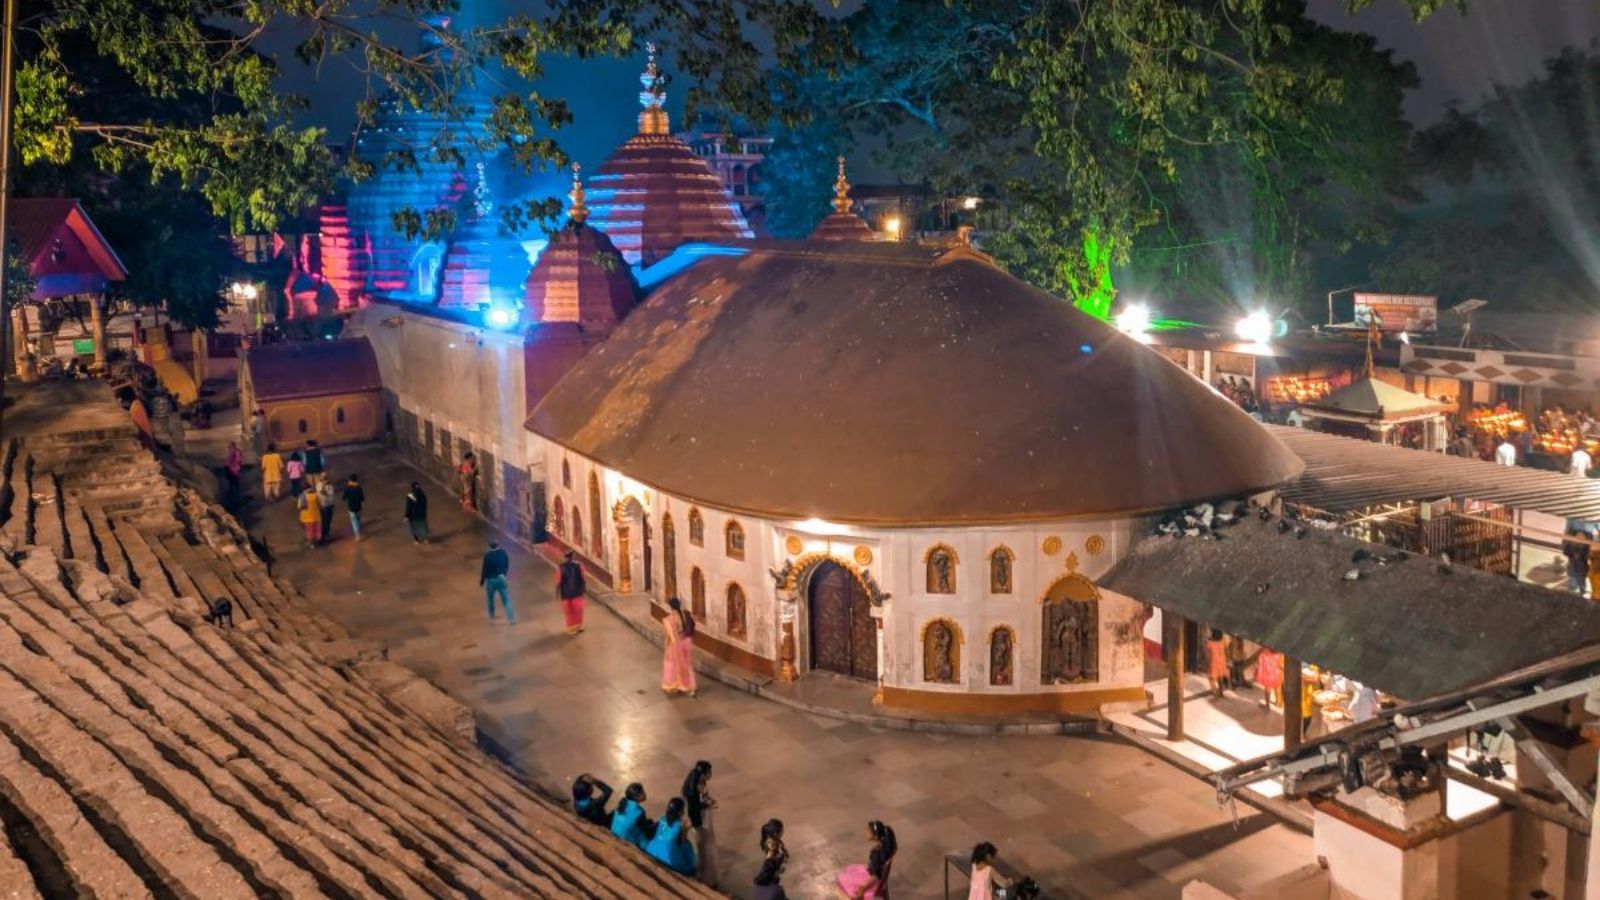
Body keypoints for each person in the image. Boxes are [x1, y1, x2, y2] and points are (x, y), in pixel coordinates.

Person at [835, 820, 896, 900]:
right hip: (876, 872)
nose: (866, 832)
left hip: (872, 880)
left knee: (843, 883)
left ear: (875, 837)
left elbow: (876, 876)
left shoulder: (876, 854)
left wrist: (863, 887)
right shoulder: (885, 847)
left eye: (868, 831)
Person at [682, 761, 718, 887]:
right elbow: (695, 807)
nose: (710, 775)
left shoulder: (698, 780)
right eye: (709, 772)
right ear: (704, 774)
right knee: (703, 848)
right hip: (699, 821)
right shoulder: (694, 788)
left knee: (706, 845)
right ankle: (704, 876)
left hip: (703, 817)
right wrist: (708, 804)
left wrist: (709, 801)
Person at [645, 797, 697, 876]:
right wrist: (685, 830)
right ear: (680, 812)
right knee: (688, 847)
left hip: (652, 850)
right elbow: (683, 841)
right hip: (668, 859)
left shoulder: (662, 819)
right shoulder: (679, 825)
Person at [661, 597, 698, 696]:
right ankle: (691, 687)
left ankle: (675, 684)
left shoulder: (670, 618)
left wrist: (666, 647)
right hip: (686, 642)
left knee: (671, 664)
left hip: (676, 644)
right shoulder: (684, 615)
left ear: (670, 607)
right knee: (687, 665)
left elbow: (670, 636)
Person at [753, 819, 788, 900]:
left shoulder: (774, 841)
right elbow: (768, 866)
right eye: (782, 830)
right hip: (771, 878)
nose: (783, 831)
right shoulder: (772, 850)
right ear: (776, 833)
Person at [611, 783, 653, 849]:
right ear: (636, 797)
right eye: (642, 792)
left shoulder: (621, 805)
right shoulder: (639, 812)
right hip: (627, 841)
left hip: (615, 834)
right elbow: (643, 831)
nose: (645, 793)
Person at [481, 539, 514, 622]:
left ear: (489, 546)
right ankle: (510, 618)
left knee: (490, 598)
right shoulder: (503, 553)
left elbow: (484, 569)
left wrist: (482, 580)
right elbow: (507, 563)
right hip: (502, 578)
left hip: (491, 580)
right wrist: (504, 573)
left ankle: (491, 615)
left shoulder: (488, 556)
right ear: (498, 545)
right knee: (506, 599)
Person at [557, 550, 587, 635]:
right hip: (577, 592)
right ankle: (579, 627)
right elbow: (583, 577)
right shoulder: (579, 566)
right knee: (578, 611)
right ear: (573, 557)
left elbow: (558, 580)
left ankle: (572, 629)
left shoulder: (561, 567)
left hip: (566, 594)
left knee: (569, 612)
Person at [1563, 528, 1590, 597]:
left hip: (1582, 570)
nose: (1579, 537)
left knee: (1582, 586)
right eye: (1578, 535)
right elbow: (1565, 552)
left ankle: (1582, 593)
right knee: (1572, 587)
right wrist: (1567, 542)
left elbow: (1588, 556)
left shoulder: (1586, 546)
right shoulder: (1571, 545)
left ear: (1584, 538)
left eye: (1582, 536)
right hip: (1572, 569)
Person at [1206, 629, 1230, 696]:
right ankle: (1221, 691)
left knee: (1211, 678)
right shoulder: (1223, 640)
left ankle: (1215, 692)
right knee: (1220, 676)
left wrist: (1207, 662)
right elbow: (1226, 648)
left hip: (1214, 661)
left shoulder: (1210, 642)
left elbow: (1208, 653)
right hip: (1222, 660)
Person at [343, 474, 365, 541]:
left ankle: (357, 536)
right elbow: (362, 498)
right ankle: (359, 528)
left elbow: (343, 497)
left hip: (351, 508)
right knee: (358, 519)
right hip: (358, 507)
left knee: (354, 522)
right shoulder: (359, 488)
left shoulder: (347, 488)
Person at [316, 477, 337, 544]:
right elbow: (322, 492)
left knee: (327, 521)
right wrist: (324, 486)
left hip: (329, 505)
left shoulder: (330, 487)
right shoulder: (319, 485)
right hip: (323, 506)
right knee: (324, 521)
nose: (326, 481)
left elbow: (330, 494)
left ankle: (326, 535)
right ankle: (323, 536)